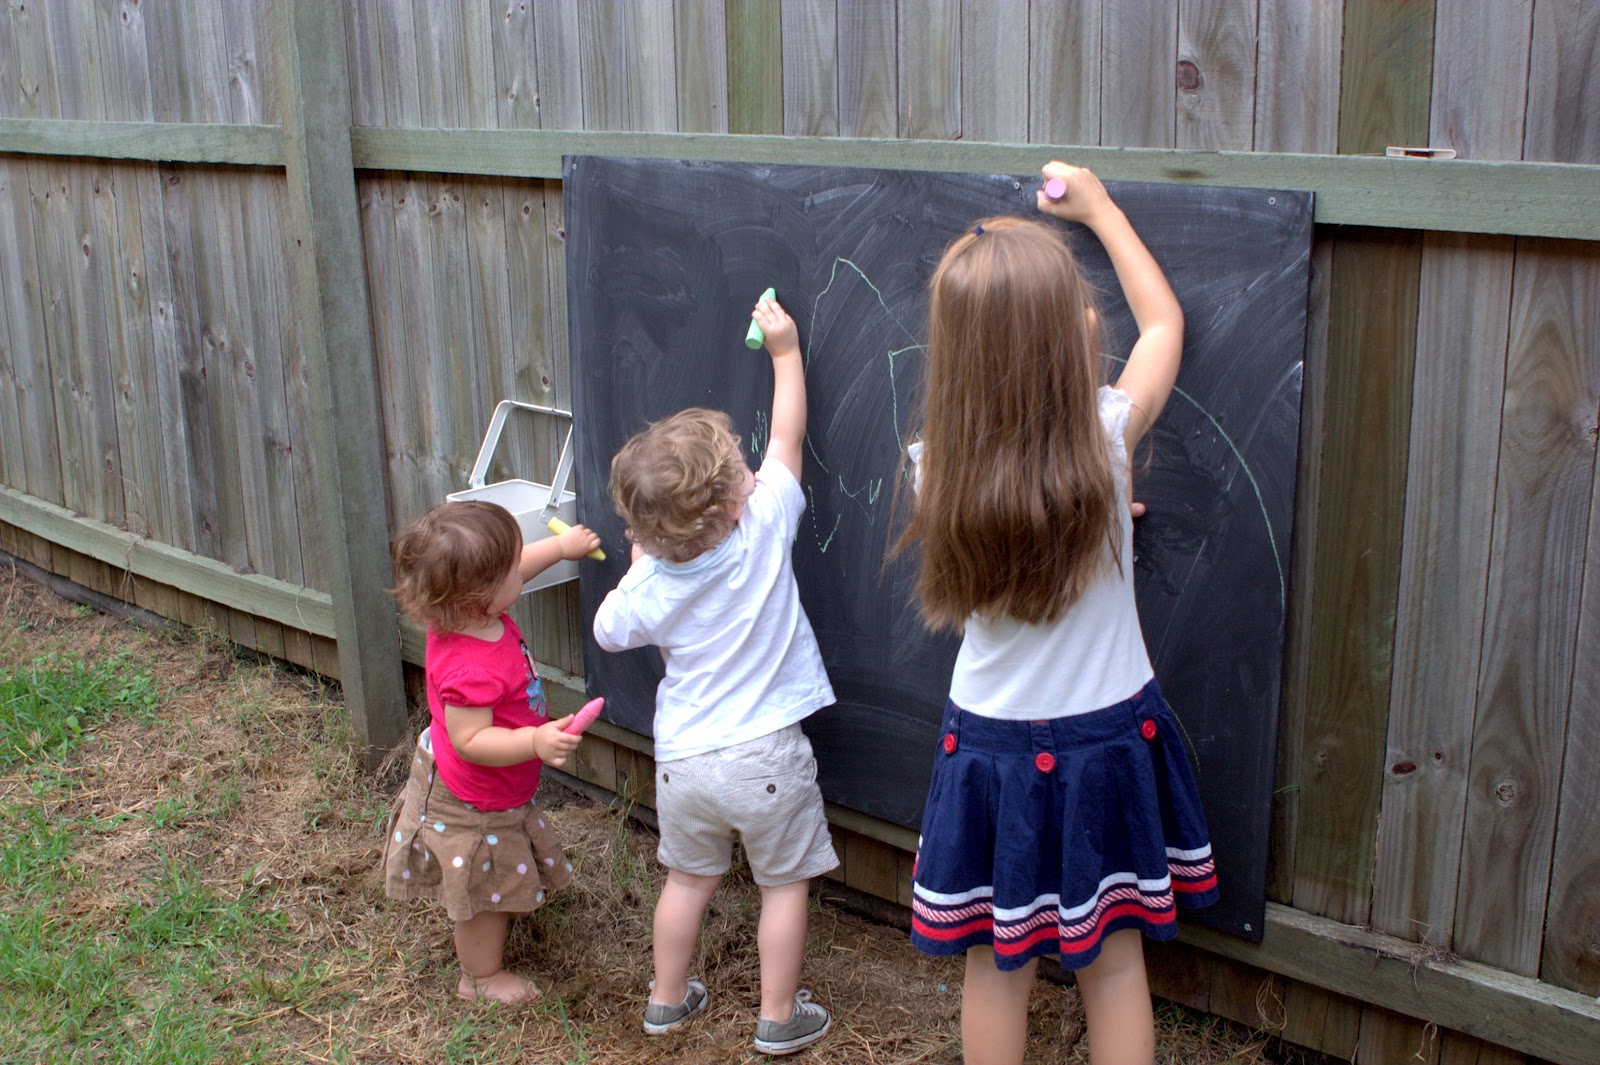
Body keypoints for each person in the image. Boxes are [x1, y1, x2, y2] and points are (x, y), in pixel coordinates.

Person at [897, 162, 1218, 1065]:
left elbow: (1015, 483)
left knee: (997, 964)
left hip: (990, 748)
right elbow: (1163, 325)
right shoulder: (1107, 439)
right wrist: (1101, 208)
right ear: (1060, 341)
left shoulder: (934, 466)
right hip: (1104, 739)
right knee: (1113, 963)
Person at [592, 293, 838, 1056]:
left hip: (686, 761)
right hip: (766, 754)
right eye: (741, 470)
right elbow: (789, 438)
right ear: (735, 502)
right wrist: (786, 352)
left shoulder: (652, 582)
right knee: (783, 884)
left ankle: (667, 999)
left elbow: (608, 628)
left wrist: (637, 570)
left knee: (687, 880)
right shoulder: (763, 525)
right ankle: (777, 1014)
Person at [381, 500, 601, 1004]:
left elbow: (514, 570)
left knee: (493, 876)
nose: (520, 563)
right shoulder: (469, 666)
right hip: (471, 800)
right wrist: (534, 741)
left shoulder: (469, 612)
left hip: (488, 785)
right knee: (481, 890)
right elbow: (472, 741)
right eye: (510, 563)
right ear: (479, 596)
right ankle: (478, 978)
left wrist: (562, 548)